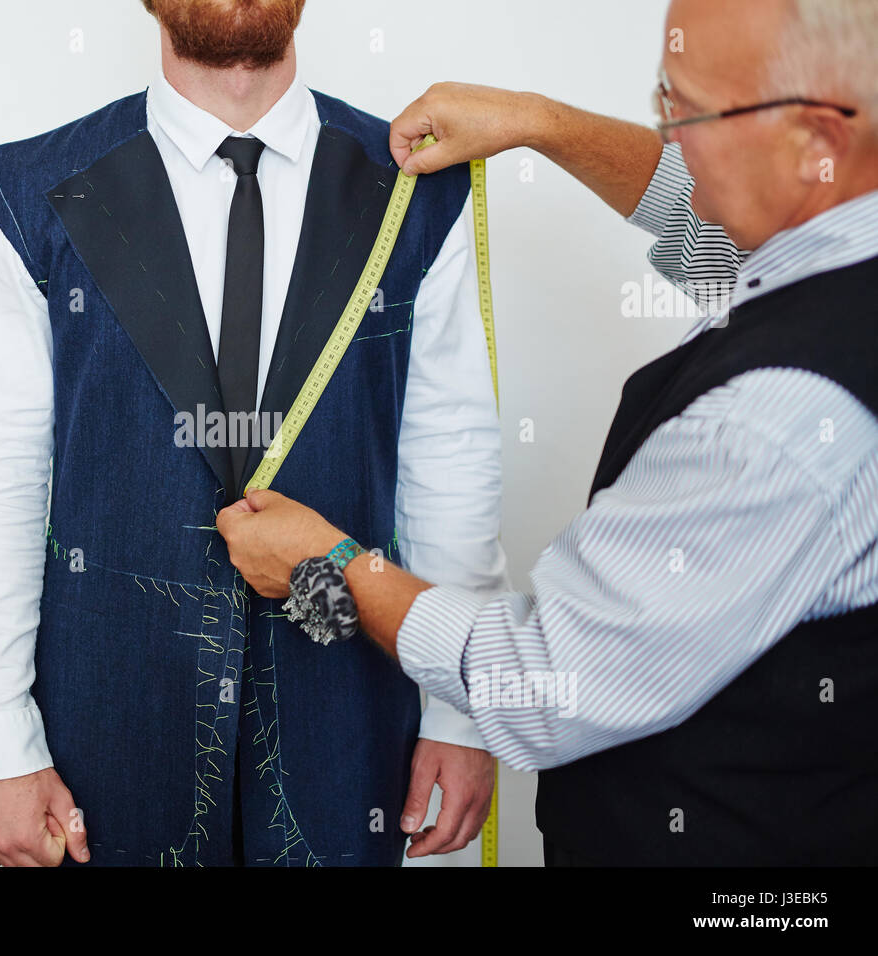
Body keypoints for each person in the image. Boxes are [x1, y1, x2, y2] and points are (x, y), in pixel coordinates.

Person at [218, 0, 878, 865]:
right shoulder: (833, 247)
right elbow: (712, 229)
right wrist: (542, 123)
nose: (666, 134)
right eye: (662, 98)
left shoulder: (782, 418)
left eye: (688, 110)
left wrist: (334, 564)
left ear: (817, 137)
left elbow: (542, 683)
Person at [0, 0, 507, 866]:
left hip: (348, 714)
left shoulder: (417, 190)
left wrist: (463, 711)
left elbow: (451, 454)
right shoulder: (35, 192)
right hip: (109, 719)